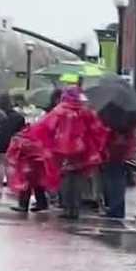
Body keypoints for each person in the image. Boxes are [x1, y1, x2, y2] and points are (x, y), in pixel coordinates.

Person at [28, 87, 109, 220]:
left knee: (65, 178)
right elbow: (96, 128)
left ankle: (67, 207)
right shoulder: (85, 111)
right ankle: (75, 208)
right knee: (77, 178)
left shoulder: (60, 110)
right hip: (81, 149)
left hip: (62, 149)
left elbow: (46, 126)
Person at [0, 93, 27, 189]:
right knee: (10, 165)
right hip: (13, 143)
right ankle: (10, 185)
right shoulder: (18, 117)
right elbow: (22, 132)